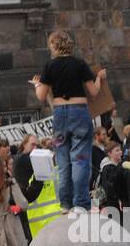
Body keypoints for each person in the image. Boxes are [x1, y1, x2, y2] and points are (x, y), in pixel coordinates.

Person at [31, 30, 105, 213]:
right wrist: (99, 79)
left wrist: (37, 84)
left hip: (59, 115)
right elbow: (94, 92)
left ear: (54, 46)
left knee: (63, 161)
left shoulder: (50, 66)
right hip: (79, 112)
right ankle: (80, 203)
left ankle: (65, 203)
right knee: (80, 159)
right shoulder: (79, 64)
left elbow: (41, 96)